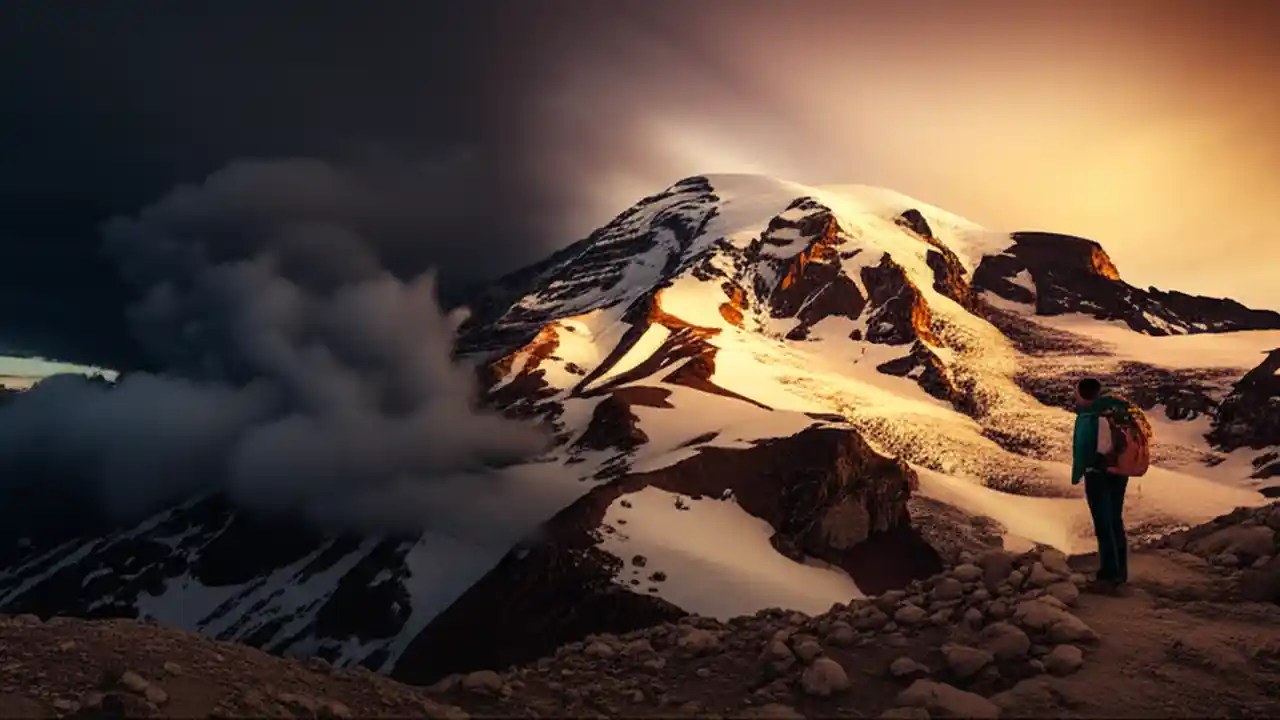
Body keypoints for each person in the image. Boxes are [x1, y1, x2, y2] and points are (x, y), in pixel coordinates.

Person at [1071, 377, 1131, 592]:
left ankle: (1109, 574)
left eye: (1077, 393)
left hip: (1099, 474)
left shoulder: (1092, 417)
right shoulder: (1114, 411)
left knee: (1103, 523)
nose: (1075, 398)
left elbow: (1094, 448)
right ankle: (1120, 572)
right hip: (1119, 472)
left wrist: (1084, 469)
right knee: (1115, 520)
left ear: (1085, 395)